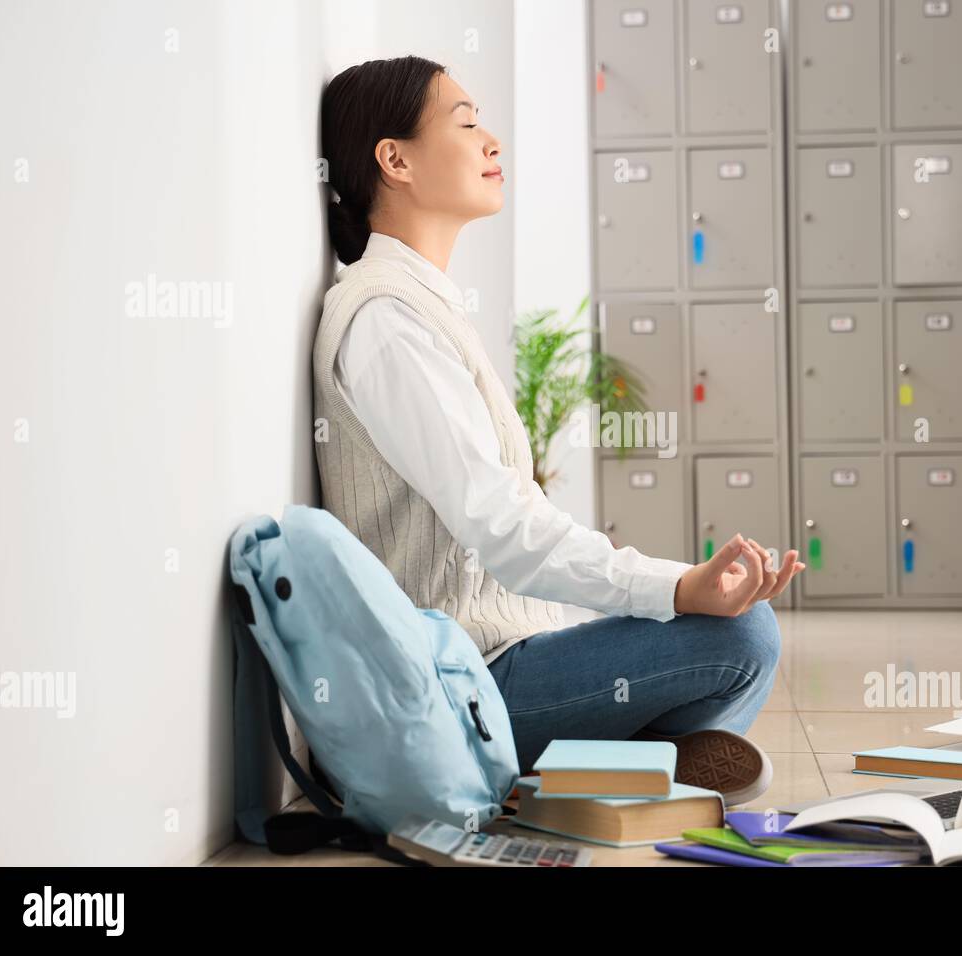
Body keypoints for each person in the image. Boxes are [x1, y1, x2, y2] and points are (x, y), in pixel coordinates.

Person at [313, 56, 805, 805]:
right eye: (467, 121)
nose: (491, 142)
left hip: (505, 658)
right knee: (743, 637)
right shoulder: (385, 322)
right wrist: (671, 586)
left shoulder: (424, 308)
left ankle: (599, 782)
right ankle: (596, 783)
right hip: (456, 687)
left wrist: (669, 592)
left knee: (737, 622)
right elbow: (501, 526)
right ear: (396, 159)